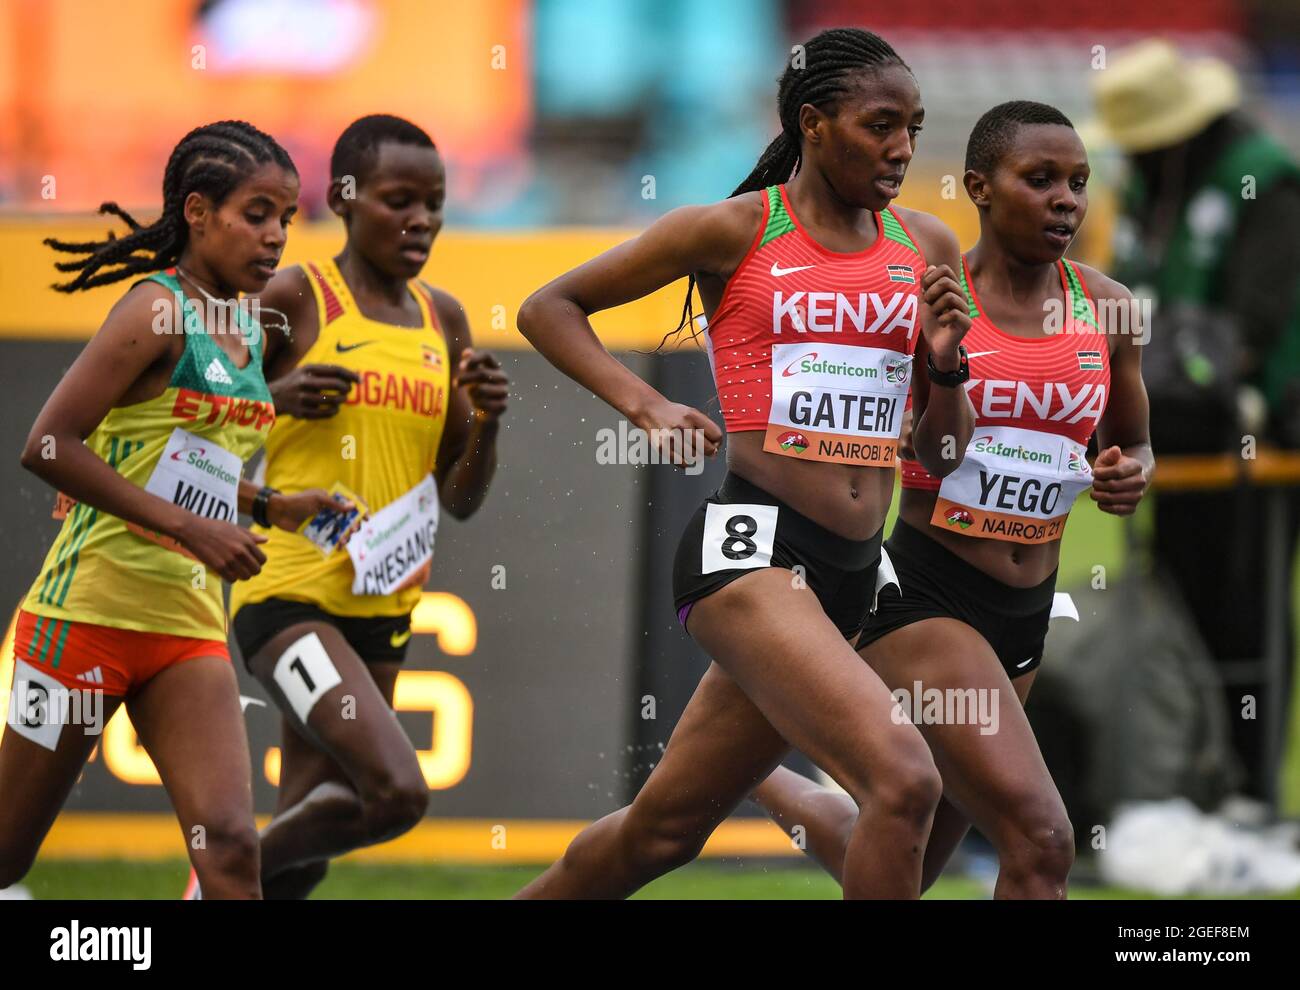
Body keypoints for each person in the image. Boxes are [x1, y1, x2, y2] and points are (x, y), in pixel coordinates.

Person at [515, 28, 975, 900]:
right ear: (813, 124)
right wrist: (646, 404)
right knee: (906, 780)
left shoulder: (928, 246)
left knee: (661, 834)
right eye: (880, 126)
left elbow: (944, 456)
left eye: (913, 129)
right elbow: (550, 307)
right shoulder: (734, 229)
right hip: (751, 550)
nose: (903, 150)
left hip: (853, 572)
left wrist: (948, 368)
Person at [751, 101, 1153, 898]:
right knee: (1041, 839)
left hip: (1025, 614)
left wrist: (1129, 472)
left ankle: (752, 777)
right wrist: (929, 398)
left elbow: (1135, 441)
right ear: (979, 186)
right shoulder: (929, 299)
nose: (1065, 200)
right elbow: (917, 442)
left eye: (1077, 183)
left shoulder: (1109, 308)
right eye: (1039, 179)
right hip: (924, 598)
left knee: (906, 852)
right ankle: (747, 771)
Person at [0, 121, 345, 899]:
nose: (276, 236)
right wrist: (194, 529)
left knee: (230, 847)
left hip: (185, 627)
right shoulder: (153, 312)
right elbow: (47, 445)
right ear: (196, 211)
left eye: (286, 218)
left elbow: (178, 461)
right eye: (256, 214)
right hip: (83, 619)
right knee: (7, 854)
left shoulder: (248, 328)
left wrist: (269, 504)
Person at [222, 114, 508, 900]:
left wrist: (487, 422)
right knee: (394, 793)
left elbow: (461, 500)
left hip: (383, 605)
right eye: (399, 200)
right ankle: (218, 877)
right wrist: (275, 397)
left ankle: (239, 882)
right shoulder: (295, 295)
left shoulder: (444, 319)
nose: (422, 221)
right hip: (288, 595)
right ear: (344, 198)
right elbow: (193, 423)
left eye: (435, 203)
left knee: (313, 830)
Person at [1092, 40, 1300, 800]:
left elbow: (1258, 321)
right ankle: (1188, 776)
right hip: (1169, 433)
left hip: (1257, 433)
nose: (1132, 156)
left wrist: (1200, 379)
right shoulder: (1146, 185)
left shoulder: (1265, 183)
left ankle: (1249, 786)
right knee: (1178, 608)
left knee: (1245, 610)